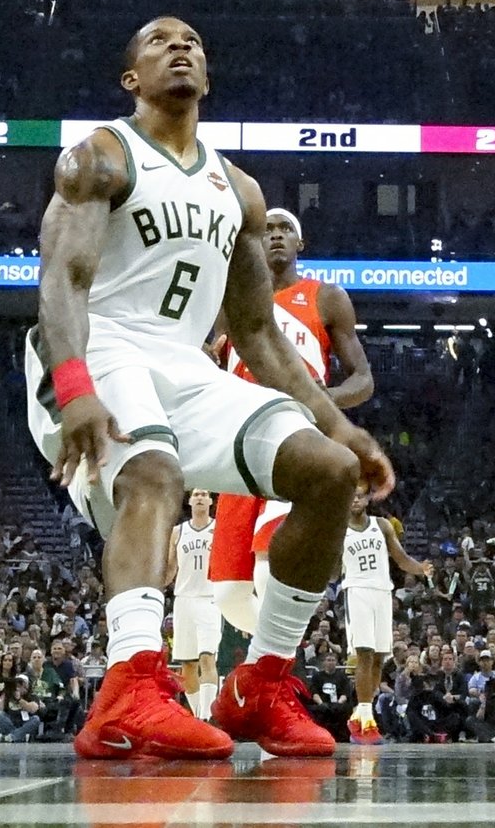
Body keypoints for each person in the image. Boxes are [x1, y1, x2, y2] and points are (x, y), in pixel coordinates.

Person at [26, 16, 396, 759]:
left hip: (186, 365)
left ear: (208, 73)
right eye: (159, 41)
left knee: (329, 472)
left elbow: (258, 333)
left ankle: (259, 686)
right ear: (132, 78)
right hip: (98, 345)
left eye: (192, 41)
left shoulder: (241, 191)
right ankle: (128, 689)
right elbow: (62, 281)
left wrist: (339, 425)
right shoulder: (102, 155)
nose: (180, 47)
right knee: (153, 474)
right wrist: (74, 385)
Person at [205, 207, 376, 674]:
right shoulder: (229, 300)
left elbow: (363, 379)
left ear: (300, 244)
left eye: (286, 230)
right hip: (238, 438)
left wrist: (323, 399)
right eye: (268, 230)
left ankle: (273, 678)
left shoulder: (327, 297)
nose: (276, 236)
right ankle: (278, 662)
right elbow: (208, 360)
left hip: (295, 437)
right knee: (228, 592)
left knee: (269, 566)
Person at [340, 491, 429, 740]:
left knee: (379, 657)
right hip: (357, 590)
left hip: (382, 592)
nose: (355, 499)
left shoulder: (382, 526)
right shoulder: (338, 529)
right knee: (364, 653)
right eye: (351, 495)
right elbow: (331, 567)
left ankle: (360, 714)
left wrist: (420, 568)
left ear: (368, 499)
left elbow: (400, 558)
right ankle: (366, 717)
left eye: (360, 495)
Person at [169, 490, 223, 706]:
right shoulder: (177, 531)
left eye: (204, 494)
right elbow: (169, 570)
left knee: (207, 658)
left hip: (210, 598)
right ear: (189, 500)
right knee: (188, 666)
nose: (200, 497)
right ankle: (198, 716)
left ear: (210, 501)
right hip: (183, 599)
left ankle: (207, 716)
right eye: (196, 494)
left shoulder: (220, 529)